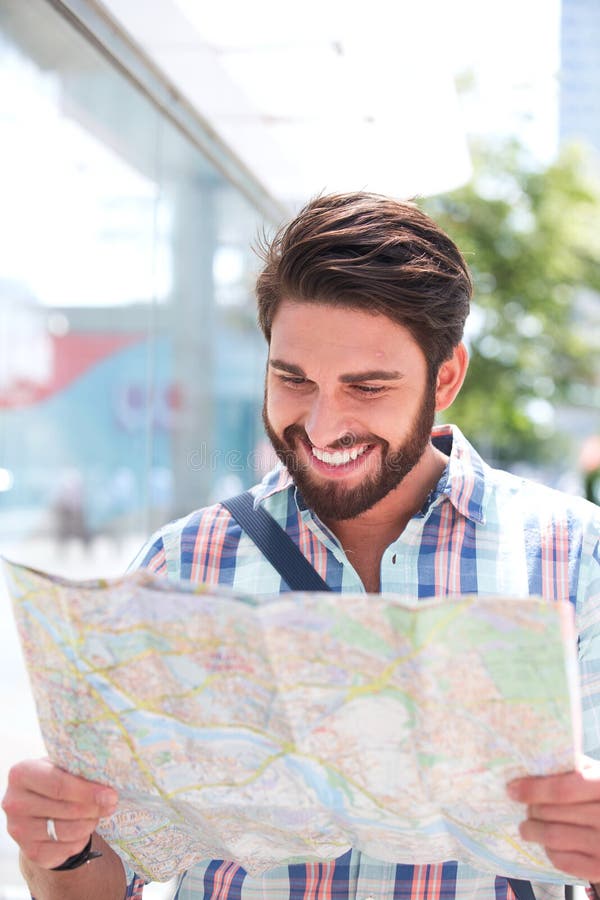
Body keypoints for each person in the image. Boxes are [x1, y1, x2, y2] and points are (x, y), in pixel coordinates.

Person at [3, 192, 600, 900]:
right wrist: (58, 851)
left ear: (445, 378)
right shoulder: (181, 565)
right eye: (293, 379)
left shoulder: (573, 558)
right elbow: (107, 882)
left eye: (367, 386)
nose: (321, 426)